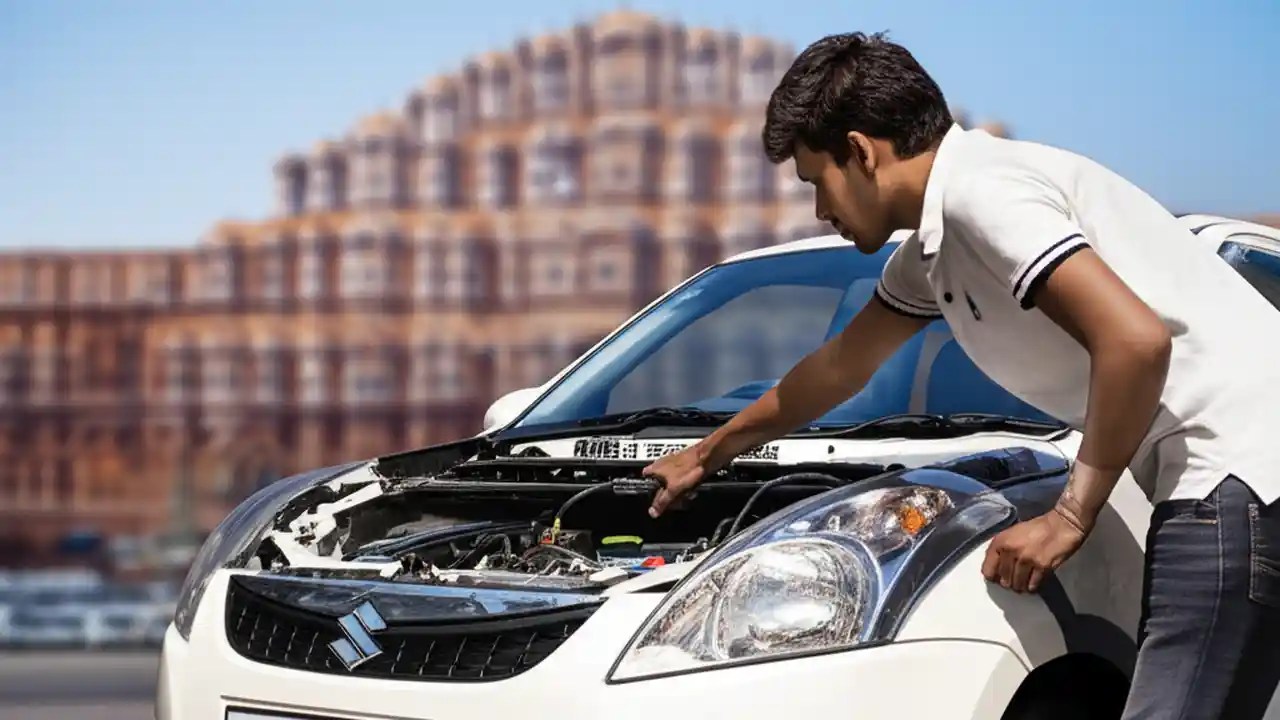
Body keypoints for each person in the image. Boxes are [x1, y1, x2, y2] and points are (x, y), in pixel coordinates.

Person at [641, 31, 1280, 719]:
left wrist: (1069, 516)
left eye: (815, 181)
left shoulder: (983, 193)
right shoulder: (933, 250)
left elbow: (1135, 341)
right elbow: (838, 369)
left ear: (860, 151)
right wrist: (706, 455)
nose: (818, 209)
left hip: (1235, 474)